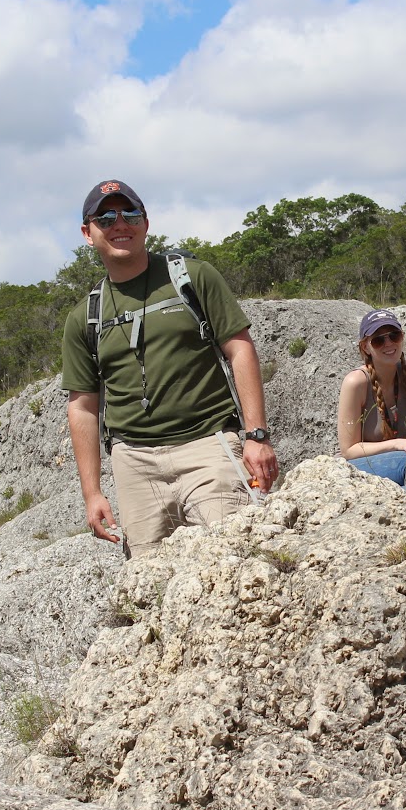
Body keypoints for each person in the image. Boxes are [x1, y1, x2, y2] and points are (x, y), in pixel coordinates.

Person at [61, 179, 277, 556]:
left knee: (238, 559)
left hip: (208, 446)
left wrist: (256, 437)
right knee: (151, 587)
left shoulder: (193, 277)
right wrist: (92, 492)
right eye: (106, 217)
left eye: (130, 213)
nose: (120, 224)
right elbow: (82, 405)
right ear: (87, 232)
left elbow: (239, 348)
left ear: (146, 222)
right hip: (134, 463)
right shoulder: (85, 317)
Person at [337, 309, 406, 490]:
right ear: (365, 347)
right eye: (378, 340)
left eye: (394, 336)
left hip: (401, 465)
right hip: (362, 467)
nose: (388, 343)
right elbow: (349, 450)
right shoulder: (356, 382)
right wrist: (396, 444)